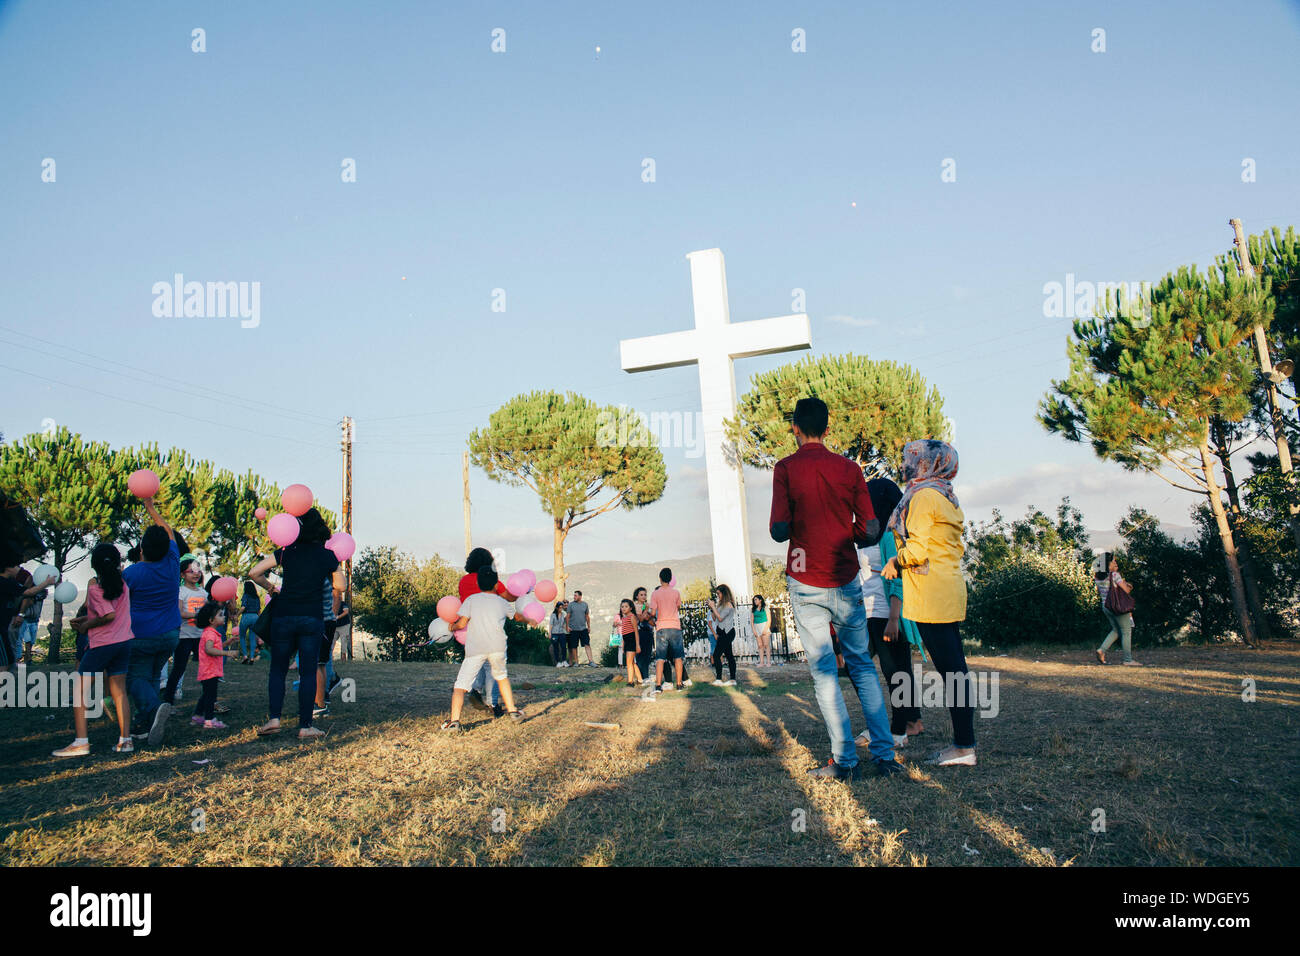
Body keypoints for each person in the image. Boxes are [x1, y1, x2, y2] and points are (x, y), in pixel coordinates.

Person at [769, 397, 899, 780]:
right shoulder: (849, 469)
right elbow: (872, 528)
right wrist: (848, 534)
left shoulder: (785, 469)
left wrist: (802, 528)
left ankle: (844, 761)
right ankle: (885, 756)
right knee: (862, 665)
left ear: (795, 428)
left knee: (825, 673)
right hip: (846, 577)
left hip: (805, 577)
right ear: (828, 429)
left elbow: (778, 531)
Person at [881, 439, 973, 768]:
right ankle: (964, 743)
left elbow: (917, 551)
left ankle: (964, 746)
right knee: (955, 669)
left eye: (911, 459)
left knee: (953, 672)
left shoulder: (921, 497)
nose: (905, 465)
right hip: (948, 587)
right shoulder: (947, 495)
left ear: (926, 464)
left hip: (931, 593)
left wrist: (895, 561)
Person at [249, 508, 339, 739]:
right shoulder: (326, 555)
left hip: (284, 616)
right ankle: (305, 726)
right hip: (312, 618)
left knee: (278, 670)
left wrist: (270, 588)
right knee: (308, 671)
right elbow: (342, 584)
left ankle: (274, 719)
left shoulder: (286, 552)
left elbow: (254, 572)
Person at [858, 477, 923, 750]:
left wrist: (894, 618)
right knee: (898, 669)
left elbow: (897, 578)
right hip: (871, 611)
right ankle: (912, 722)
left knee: (892, 671)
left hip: (885, 613)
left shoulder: (889, 536)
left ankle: (895, 731)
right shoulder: (873, 533)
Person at [54, 544, 134, 756]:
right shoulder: (123, 585)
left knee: (80, 690)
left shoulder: (95, 588)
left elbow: (108, 616)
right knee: (119, 692)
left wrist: (86, 626)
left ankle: (81, 742)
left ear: (94, 566)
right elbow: (112, 612)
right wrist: (87, 618)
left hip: (102, 645)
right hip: (124, 642)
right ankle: (125, 740)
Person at [122, 497, 185, 746]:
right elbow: (168, 531)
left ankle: (156, 707)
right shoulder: (172, 563)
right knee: (150, 676)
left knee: (134, 677)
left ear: (142, 549)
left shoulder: (132, 573)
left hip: (140, 635)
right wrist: (150, 506)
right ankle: (146, 720)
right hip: (170, 634)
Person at [440, 565, 522, 730]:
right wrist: (529, 620)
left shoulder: (471, 600)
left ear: (478, 583)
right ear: (496, 584)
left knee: (461, 685)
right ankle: (513, 712)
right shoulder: (501, 602)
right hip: (497, 647)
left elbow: (462, 623)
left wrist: (452, 628)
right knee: (501, 677)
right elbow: (516, 617)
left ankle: (454, 722)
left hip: (476, 648)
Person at [162, 555, 207, 705]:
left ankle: (209, 699)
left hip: (200, 636)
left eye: (198, 571)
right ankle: (168, 702)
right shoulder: (180, 591)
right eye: (191, 571)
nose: (196, 574)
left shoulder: (203, 593)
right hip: (184, 636)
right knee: (179, 668)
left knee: (207, 668)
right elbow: (180, 612)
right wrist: (198, 615)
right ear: (182, 574)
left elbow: (208, 612)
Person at [0, 556, 57, 672]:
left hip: (3, 628)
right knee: (4, 665)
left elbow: (26, 594)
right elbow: (29, 592)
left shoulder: (10, 582)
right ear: (8, 568)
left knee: (10, 661)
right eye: (16, 566)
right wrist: (46, 582)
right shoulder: (3, 582)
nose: (18, 569)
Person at [192, 601, 237, 729]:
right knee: (211, 696)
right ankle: (209, 720)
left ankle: (198, 716)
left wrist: (227, 642)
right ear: (211, 620)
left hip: (210, 671)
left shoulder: (210, 632)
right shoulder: (210, 634)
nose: (223, 617)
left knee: (206, 694)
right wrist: (227, 653)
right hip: (210, 671)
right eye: (220, 615)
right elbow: (209, 650)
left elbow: (215, 647)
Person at [1095, 553, 1139, 666]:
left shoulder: (1097, 576)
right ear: (1108, 564)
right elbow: (1126, 590)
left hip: (1106, 606)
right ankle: (1128, 659)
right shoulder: (1115, 575)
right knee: (1126, 631)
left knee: (1116, 630)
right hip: (1117, 606)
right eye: (1113, 561)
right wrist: (1128, 585)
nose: (1115, 563)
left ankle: (1102, 650)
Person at [648, 568, 684, 693]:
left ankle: (658, 685)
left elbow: (653, 612)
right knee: (678, 657)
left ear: (660, 578)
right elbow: (678, 606)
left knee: (660, 658)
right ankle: (679, 684)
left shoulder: (655, 593)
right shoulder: (676, 593)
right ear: (670, 579)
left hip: (662, 627)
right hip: (675, 626)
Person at [708, 584, 738, 686]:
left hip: (727, 632)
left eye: (719, 593)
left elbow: (720, 618)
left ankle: (719, 679)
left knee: (716, 655)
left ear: (724, 593)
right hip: (722, 632)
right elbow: (715, 618)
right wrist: (712, 608)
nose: (717, 596)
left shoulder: (729, 605)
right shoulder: (720, 605)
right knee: (729, 655)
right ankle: (732, 679)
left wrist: (714, 607)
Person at [18, 572, 46, 666]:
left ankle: (28, 657)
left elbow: (41, 596)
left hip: (35, 619)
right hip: (26, 618)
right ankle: (26, 657)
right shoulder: (28, 593)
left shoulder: (41, 593)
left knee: (31, 641)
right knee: (27, 639)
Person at [632, 587, 655, 685]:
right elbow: (641, 618)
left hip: (648, 632)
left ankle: (645, 675)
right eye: (641, 595)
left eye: (645, 594)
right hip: (639, 632)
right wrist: (645, 610)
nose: (644, 596)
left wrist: (648, 615)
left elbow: (651, 620)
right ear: (637, 596)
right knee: (641, 655)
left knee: (647, 655)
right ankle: (641, 677)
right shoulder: (635, 606)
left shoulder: (647, 606)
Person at [566, 590, 593, 666]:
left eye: (576, 595)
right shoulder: (571, 605)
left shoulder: (585, 604)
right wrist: (567, 626)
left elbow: (587, 616)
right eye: (574, 595)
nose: (574, 597)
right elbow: (567, 617)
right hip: (573, 629)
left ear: (580, 596)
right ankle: (576, 662)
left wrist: (589, 626)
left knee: (587, 644)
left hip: (583, 629)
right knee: (574, 646)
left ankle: (591, 661)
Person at [618, 598, 640, 685]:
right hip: (626, 641)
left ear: (630, 608)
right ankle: (640, 679)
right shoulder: (623, 618)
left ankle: (630, 681)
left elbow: (636, 631)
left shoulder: (632, 617)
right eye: (622, 607)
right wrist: (623, 646)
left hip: (632, 640)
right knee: (632, 663)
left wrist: (637, 645)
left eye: (626, 606)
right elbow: (624, 633)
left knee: (628, 662)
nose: (623, 608)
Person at [239, 580, 261, 663]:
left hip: (246, 616)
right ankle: (252, 657)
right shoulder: (257, 597)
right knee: (252, 637)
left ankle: (245, 656)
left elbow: (243, 607)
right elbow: (259, 610)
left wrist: (237, 615)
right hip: (255, 617)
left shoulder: (246, 595)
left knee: (242, 636)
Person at [752, 595, 772, 668]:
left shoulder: (765, 608)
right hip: (756, 627)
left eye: (756, 600)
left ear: (760, 600)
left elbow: (769, 619)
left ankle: (768, 662)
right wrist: (754, 630)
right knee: (760, 646)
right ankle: (762, 662)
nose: (755, 601)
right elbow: (752, 621)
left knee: (766, 645)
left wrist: (765, 629)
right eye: (754, 600)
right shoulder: (753, 609)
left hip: (764, 626)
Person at [549, 601, 570, 668]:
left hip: (562, 632)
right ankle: (558, 662)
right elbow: (551, 624)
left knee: (564, 647)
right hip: (554, 633)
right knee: (556, 648)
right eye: (560, 608)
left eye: (562, 607)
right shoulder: (553, 615)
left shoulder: (564, 614)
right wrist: (550, 633)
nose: (561, 609)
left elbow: (565, 622)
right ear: (557, 608)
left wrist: (567, 628)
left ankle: (564, 660)